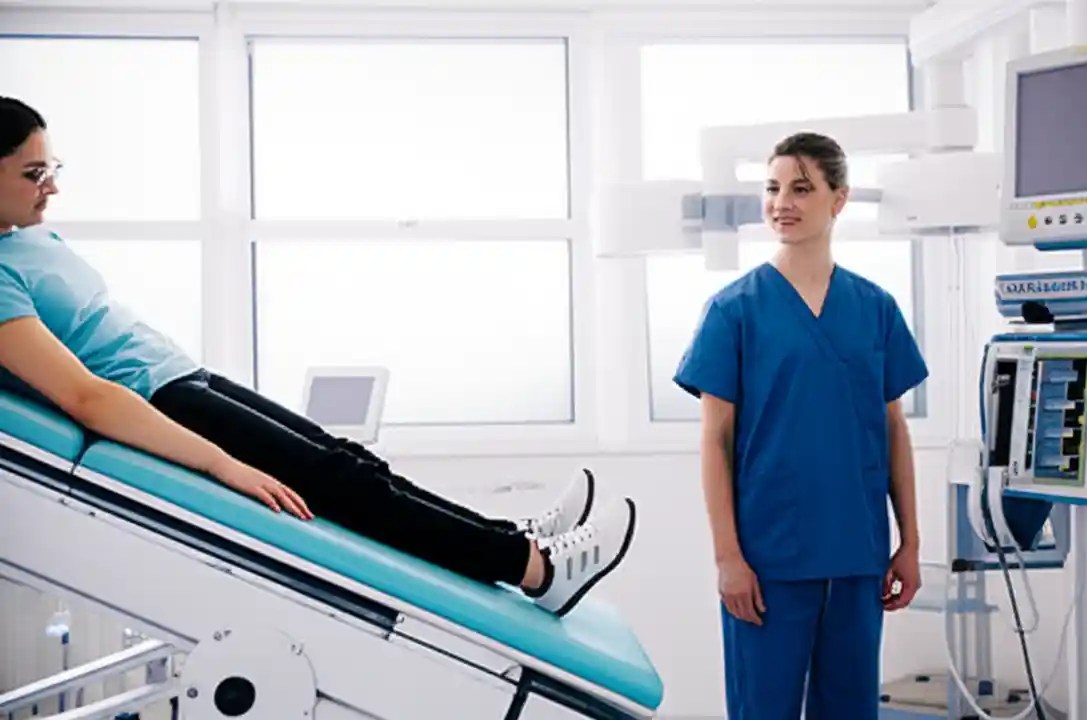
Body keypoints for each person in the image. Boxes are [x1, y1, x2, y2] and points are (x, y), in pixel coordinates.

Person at [0, 96, 635, 618]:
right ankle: (537, 570)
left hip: (179, 375)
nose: (50, 185)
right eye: (33, 174)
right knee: (341, 484)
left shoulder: (24, 236)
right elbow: (83, 395)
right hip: (158, 403)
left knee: (351, 464)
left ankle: (512, 536)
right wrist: (224, 465)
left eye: (52, 167)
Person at [674, 131, 928, 718]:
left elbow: (893, 431)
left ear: (839, 199)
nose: (781, 202)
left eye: (801, 188)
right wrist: (728, 559)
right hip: (768, 559)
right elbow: (715, 441)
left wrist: (909, 541)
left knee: (850, 710)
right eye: (773, 188)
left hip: (857, 553)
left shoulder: (875, 308)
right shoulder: (733, 309)